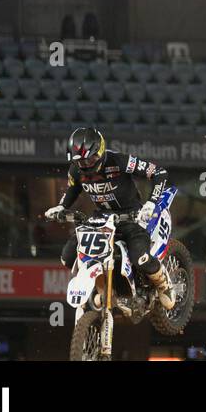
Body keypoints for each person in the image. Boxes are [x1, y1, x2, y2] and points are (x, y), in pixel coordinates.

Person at [43, 126, 175, 309]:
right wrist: (61, 206)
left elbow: (159, 173)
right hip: (101, 219)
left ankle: (163, 285)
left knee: (141, 258)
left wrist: (151, 202)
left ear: (101, 149)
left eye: (91, 159)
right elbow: (73, 189)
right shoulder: (75, 171)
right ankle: (105, 290)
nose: (87, 165)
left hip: (132, 217)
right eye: (81, 162)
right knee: (68, 257)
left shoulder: (120, 161)